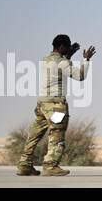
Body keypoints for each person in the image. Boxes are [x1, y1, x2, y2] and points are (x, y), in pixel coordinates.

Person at [17, 35, 96, 177]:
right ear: (62, 47)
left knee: (34, 135)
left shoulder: (45, 60)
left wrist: (68, 56)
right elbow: (80, 76)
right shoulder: (61, 62)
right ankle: (50, 166)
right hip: (56, 106)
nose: (69, 49)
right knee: (57, 134)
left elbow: (58, 71)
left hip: (42, 105)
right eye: (67, 46)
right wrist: (86, 59)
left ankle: (24, 165)